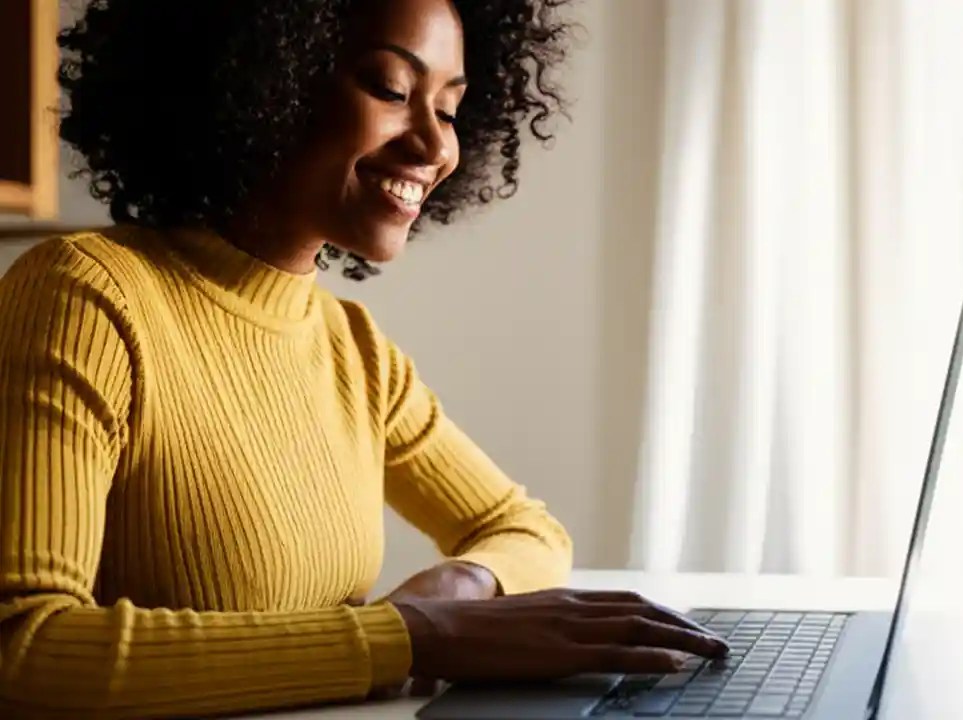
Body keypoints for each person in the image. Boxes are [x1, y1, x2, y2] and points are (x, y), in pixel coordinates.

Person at [0, 0, 727, 717]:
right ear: (261, 80)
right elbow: (26, 648)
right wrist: (411, 638)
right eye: (390, 89)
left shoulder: (353, 346)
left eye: (447, 109)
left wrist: (459, 591)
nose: (437, 147)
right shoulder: (86, 296)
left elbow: (527, 531)